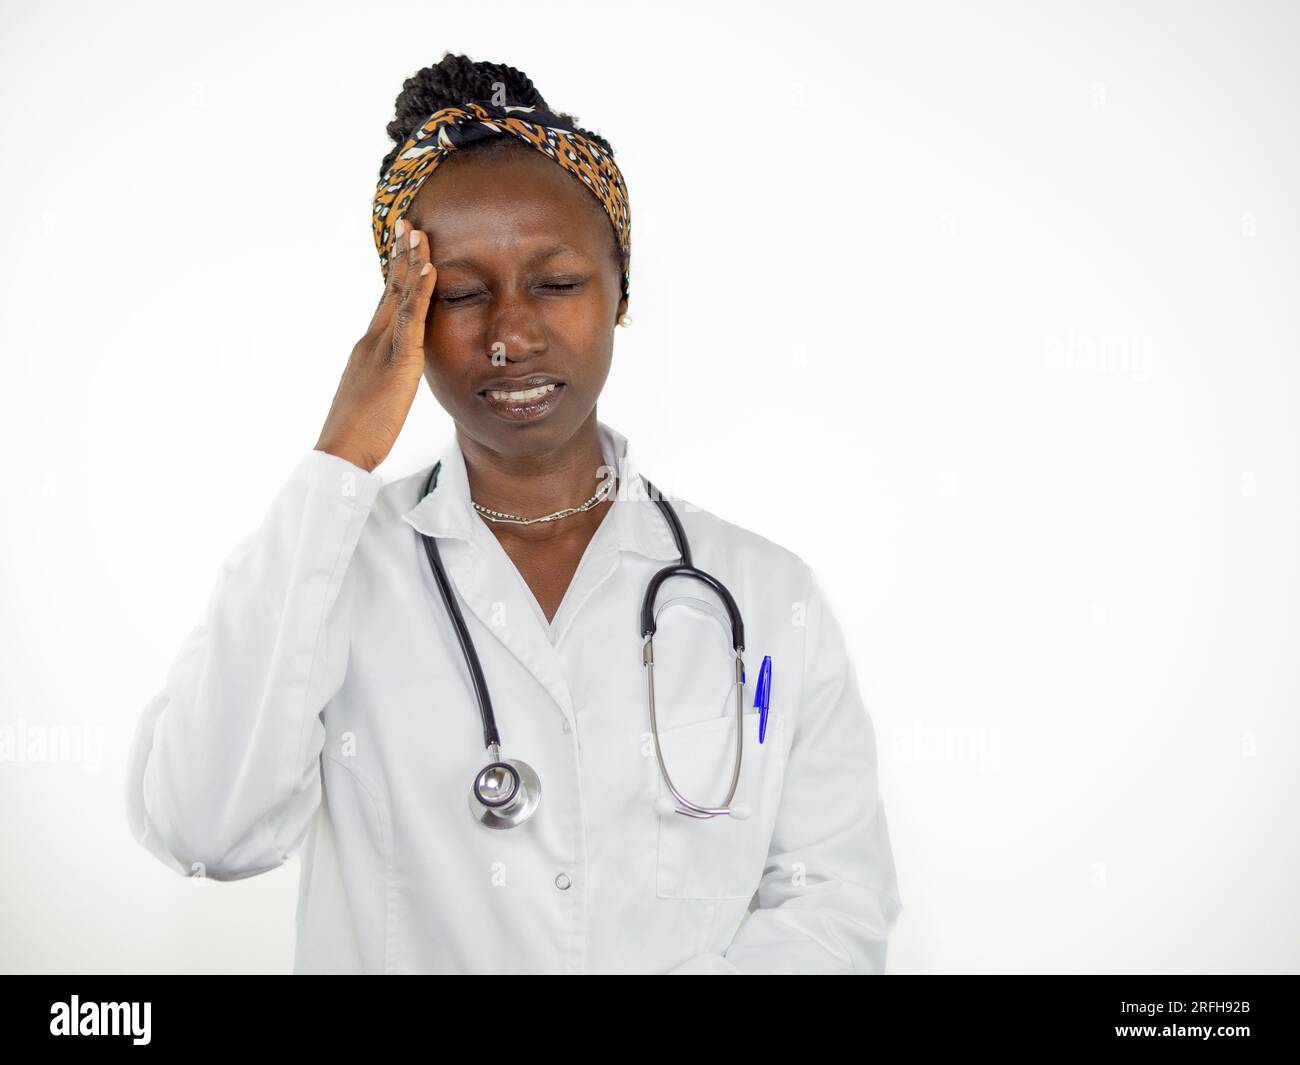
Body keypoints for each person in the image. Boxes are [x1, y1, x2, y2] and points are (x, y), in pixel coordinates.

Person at [123, 52, 902, 974]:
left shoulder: (766, 596)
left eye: (558, 283)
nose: (511, 333)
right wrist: (342, 457)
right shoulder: (328, 568)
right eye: (457, 293)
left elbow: (832, 906)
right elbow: (206, 827)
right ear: (404, 316)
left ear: (622, 294)